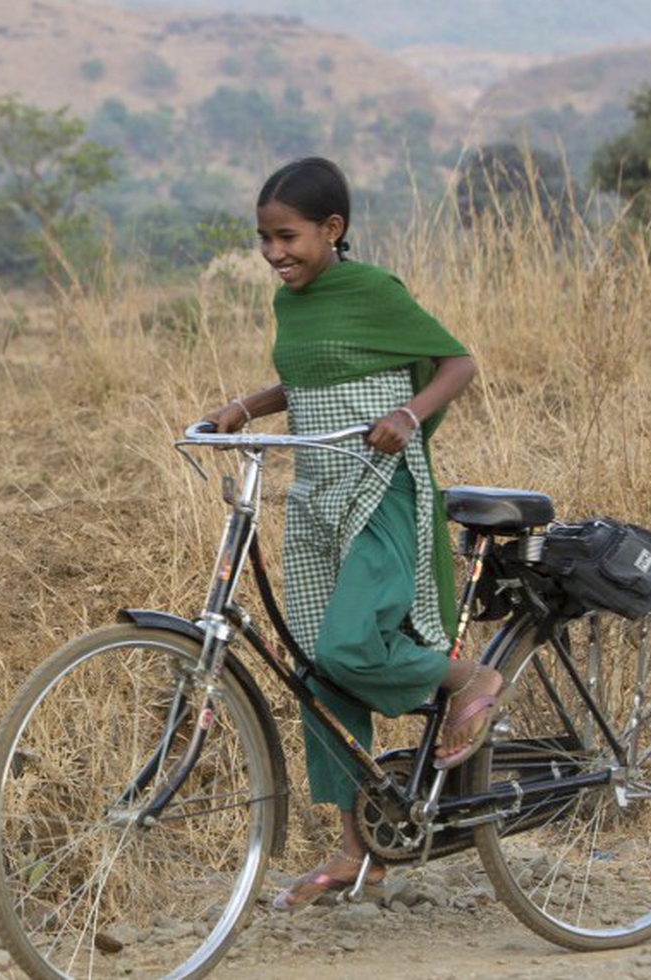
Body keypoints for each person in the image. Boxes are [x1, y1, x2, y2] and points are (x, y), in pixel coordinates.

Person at [203, 157, 502, 910]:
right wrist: (245, 407)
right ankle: (356, 848)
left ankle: (468, 680)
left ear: (332, 230)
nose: (274, 254)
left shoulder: (373, 292)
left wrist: (407, 416)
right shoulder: (292, 304)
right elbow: (311, 377)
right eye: (264, 239)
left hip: (380, 491)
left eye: (288, 237)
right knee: (316, 671)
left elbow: (456, 363)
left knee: (347, 647)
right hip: (315, 493)